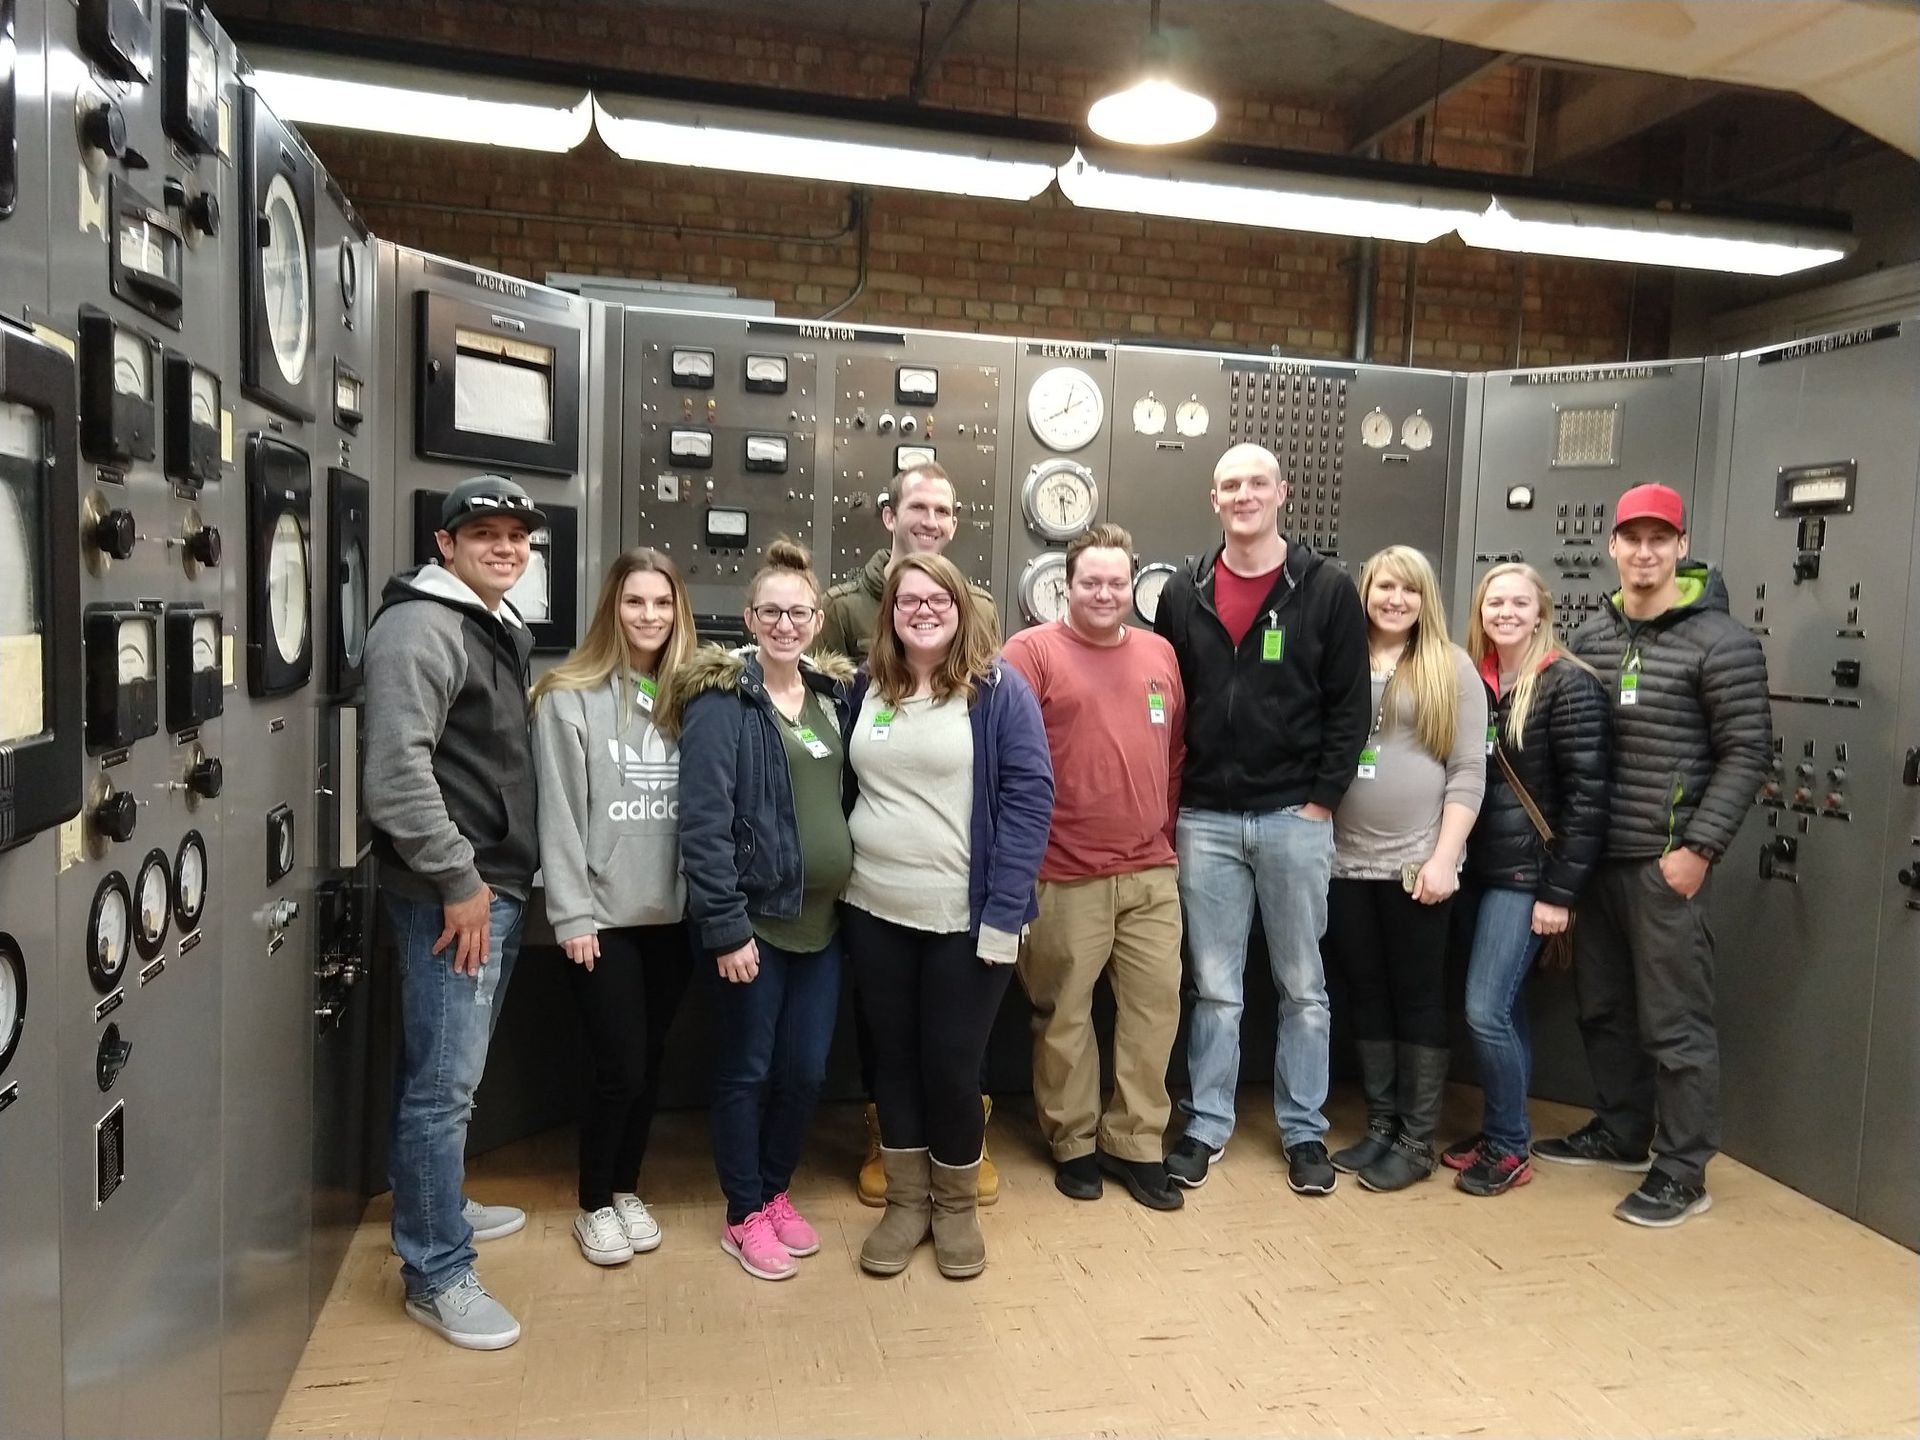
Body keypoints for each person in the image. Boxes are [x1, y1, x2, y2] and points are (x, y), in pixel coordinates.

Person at [1535, 483, 1770, 1227]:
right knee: (1603, 1008)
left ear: (1680, 546)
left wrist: (1698, 848)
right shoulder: (1595, 634)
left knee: (1675, 1023)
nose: (1643, 552)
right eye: (1631, 538)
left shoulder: (1721, 640)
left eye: (1658, 539)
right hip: (1598, 860)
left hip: (1665, 862)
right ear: (1611, 546)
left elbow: (1748, 750)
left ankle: (1683, 1168)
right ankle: (1623, 1131)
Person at [1154, 441, 1369, 1196]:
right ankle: (1207, 1124)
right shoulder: (1182, 592)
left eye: (1255, 482)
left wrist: (1321, 801)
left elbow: (1350, 708)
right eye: (1228, 485)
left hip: (1292, 818)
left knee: (1302, 986)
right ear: (1214, 500)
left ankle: (1304, 1130)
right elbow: (1169, 703)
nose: (1243, 495)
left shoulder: (1327, 589)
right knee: (1215, 987)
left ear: (1281, 491)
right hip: (1206, 819)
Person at [365, 474, 544, 1351]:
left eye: (517, 536)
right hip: (456, 899)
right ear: (446, 544)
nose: (505, 547)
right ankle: (436, 1271)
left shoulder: (485, 625)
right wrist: (459, 880)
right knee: (443, 1090)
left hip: (487, 888)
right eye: (484, 534)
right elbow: (396, 776)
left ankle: (436, 1200)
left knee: (441, 1079)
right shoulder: (419, 628)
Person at [842, 553, 1053, 1279]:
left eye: (938, 598)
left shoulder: (997, 691)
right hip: (873, 910)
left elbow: (1029, 802)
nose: (923, 610)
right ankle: (907, 1203)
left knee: (953, 1067)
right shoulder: (866, 689)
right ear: (889, 612)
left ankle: (956, 1208)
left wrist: (1004, 913)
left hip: (967, 922)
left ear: (961, 607)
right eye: (908, 600)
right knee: (893, 1064)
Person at [661, 538, 855, 1281]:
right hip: (755, 927)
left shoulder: (834, 697)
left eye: (798, 612)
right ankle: (742, 1211)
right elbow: (702, 822)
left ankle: (775, 1192)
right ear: (748, 617)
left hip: (824, 927)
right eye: (770, 611)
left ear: (816, 619)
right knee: (748, 1070)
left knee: (805, 1073)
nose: (784, 623)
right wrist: (726, 926)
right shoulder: (722, 701)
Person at [814, 459, 1004, 1209]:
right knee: (887, 1036)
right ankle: (889, 1141)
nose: (930, 520)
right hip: (874, 888)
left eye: (944, 510)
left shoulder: (983, 615)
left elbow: (1012, 774)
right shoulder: (839, 612)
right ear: (888, 514)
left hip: (958, 887)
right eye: (917, 506)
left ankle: (957, 1148)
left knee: (954, 1045)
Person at [1001, 524, 1187, 1211]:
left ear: (1132, 583)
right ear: (1065, 584)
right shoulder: (1030, 653)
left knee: (1153, 1012)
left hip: (1150, 873)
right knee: (1064, 1016)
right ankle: (1073, 1141)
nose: (1105, 593)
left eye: (1116, 582)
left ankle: (1136, 1142)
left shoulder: (1160, 653)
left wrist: (1160, 837)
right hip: (1062, 872)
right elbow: (1002, 759)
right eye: (1090, 582)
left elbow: (1173, 757)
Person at [531, 548, 697, 1266]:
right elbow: (560, 815)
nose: (650, 616)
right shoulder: (566, 695)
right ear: (612, 608)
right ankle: (594, 1201)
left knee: (652, 1059)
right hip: (603, 920)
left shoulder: (693, 697)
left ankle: (627, 1188)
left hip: (675, 917)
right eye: (636, 602)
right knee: (619, 1068)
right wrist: (572, 915)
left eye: (662, 604)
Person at [1323, 546, 1487, 1192]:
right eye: (1385, 586)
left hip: (1419, 865)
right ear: (1366, 592)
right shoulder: (1341, 661)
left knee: (1418, 1000)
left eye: (1410, 590)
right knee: (1366, 996)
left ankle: (1417, 1140)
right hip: (1344, 865)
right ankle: (1384, 1126)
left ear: (1426, 601)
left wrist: (1445, 858)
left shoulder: (1451, 667)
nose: (1396, 600)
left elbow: (1469, 770)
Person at [1446, 562, 1609, 1198]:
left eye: (1519, 602)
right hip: (1480, 871)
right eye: (1494, 603)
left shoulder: (1566, 684)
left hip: (1526, 877)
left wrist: (1559, 894)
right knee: (1503, 1009)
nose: (1506, 613)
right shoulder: (1477, 680)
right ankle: (1499, 1130)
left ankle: (1511, 1147)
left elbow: (1588, 799)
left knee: (1485, 1010)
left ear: (1541, 611)